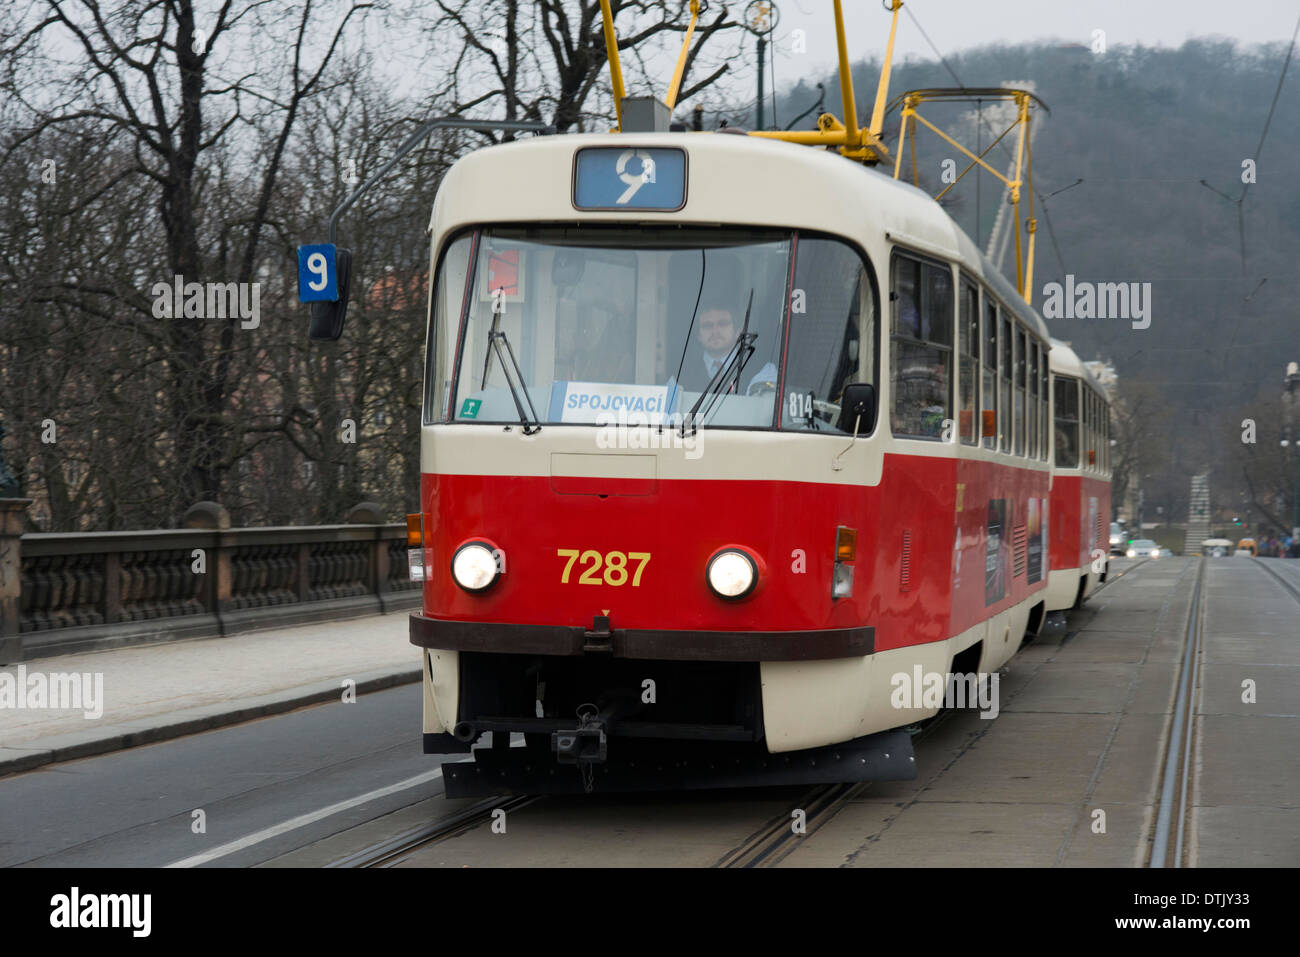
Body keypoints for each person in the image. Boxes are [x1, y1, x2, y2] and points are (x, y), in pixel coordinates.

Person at [672, 303, 776, 395]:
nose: (715, 331)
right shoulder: (680, 374)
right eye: (708, 326)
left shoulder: (761, 370)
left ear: (737, 332)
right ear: (699, 335)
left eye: (723, 324)